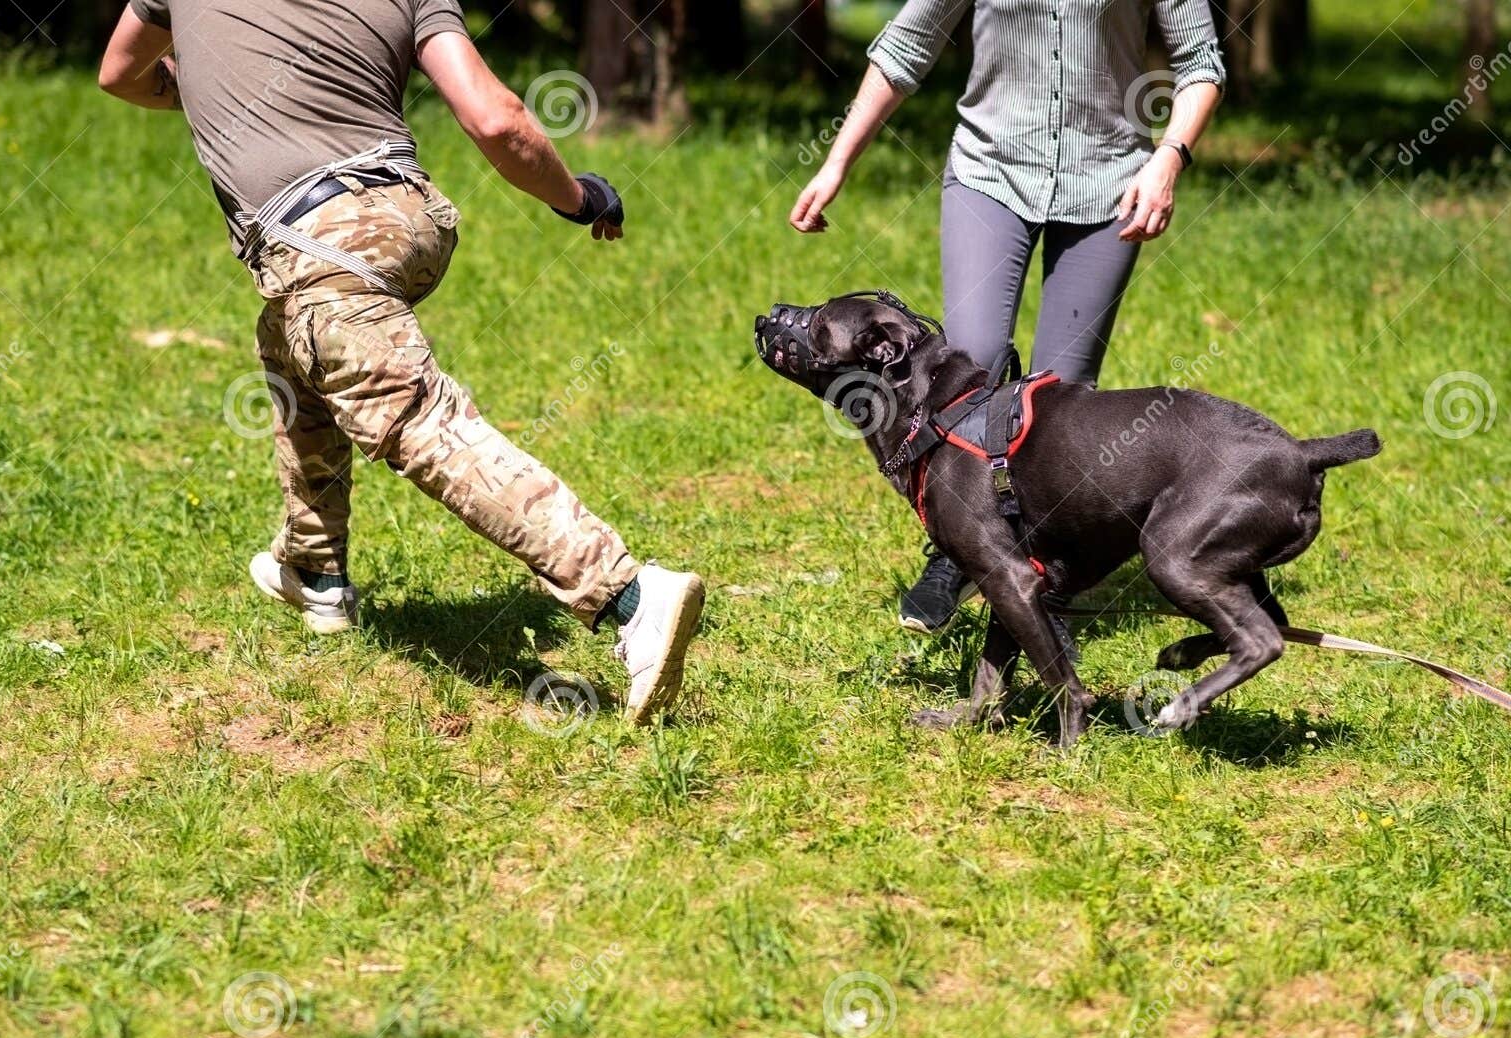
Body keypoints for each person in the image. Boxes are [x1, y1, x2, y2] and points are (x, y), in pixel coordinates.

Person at [98, 1, 703, 725]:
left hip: (318, 237)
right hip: (410, 217)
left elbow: (121, 73)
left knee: (419, 422)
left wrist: (200, 84)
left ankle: (630, 595)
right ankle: (314, 569)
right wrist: (578, 198)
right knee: (293, 338)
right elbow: (496, 120)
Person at [790, 0, 1224, 634]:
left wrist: (1169, 157)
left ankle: (1040, 570)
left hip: (1109, 182)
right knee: (967, 363)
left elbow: (1200, 63)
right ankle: (955, 549)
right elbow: (905, 47)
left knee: (1062, 404)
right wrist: (835, 163)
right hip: (990, 171)